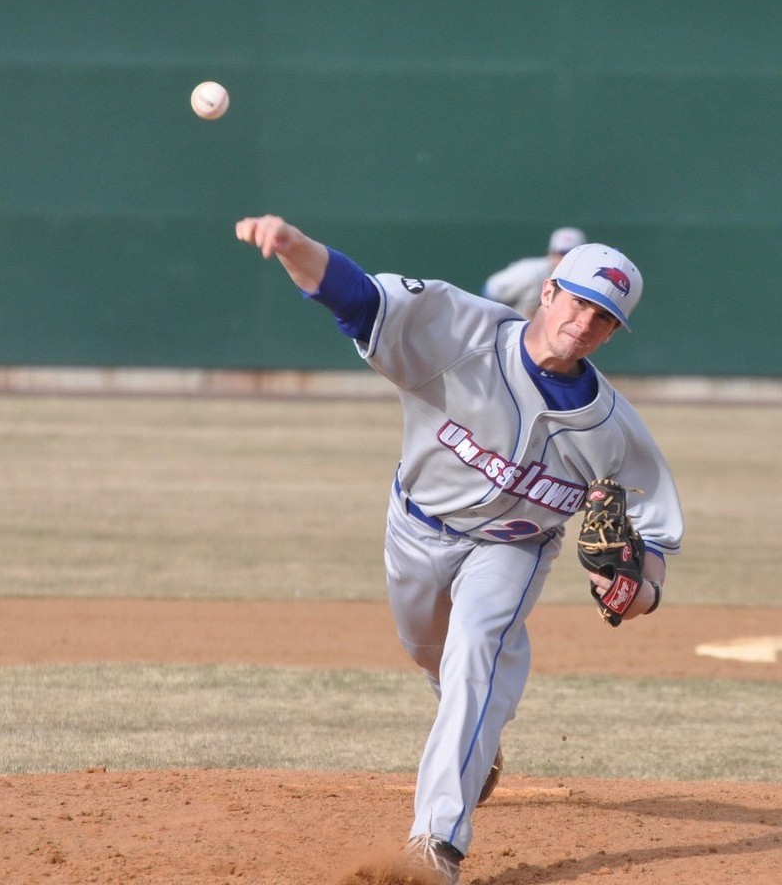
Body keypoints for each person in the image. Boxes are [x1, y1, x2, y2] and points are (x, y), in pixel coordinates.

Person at [234, 213, 683, 885]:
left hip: (515, 550)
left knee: (479, 647)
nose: (584, 324)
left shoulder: (616, 431)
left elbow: (654, 544)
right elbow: (357, 298)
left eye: (604, 319)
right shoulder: (461, 330)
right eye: (580, 303)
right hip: (415, 528)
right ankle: (477, 737)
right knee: (433, 657)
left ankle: (436, 845)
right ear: (550, 288)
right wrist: (295, 247)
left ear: (614, 332)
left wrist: (633, 592)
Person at [481, 226, 588, 318]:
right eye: (561, 253)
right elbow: (492, 288)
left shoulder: (585, 283)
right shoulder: (529, 273)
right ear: (551, 253)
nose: (565, 259)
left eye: (571, 255)